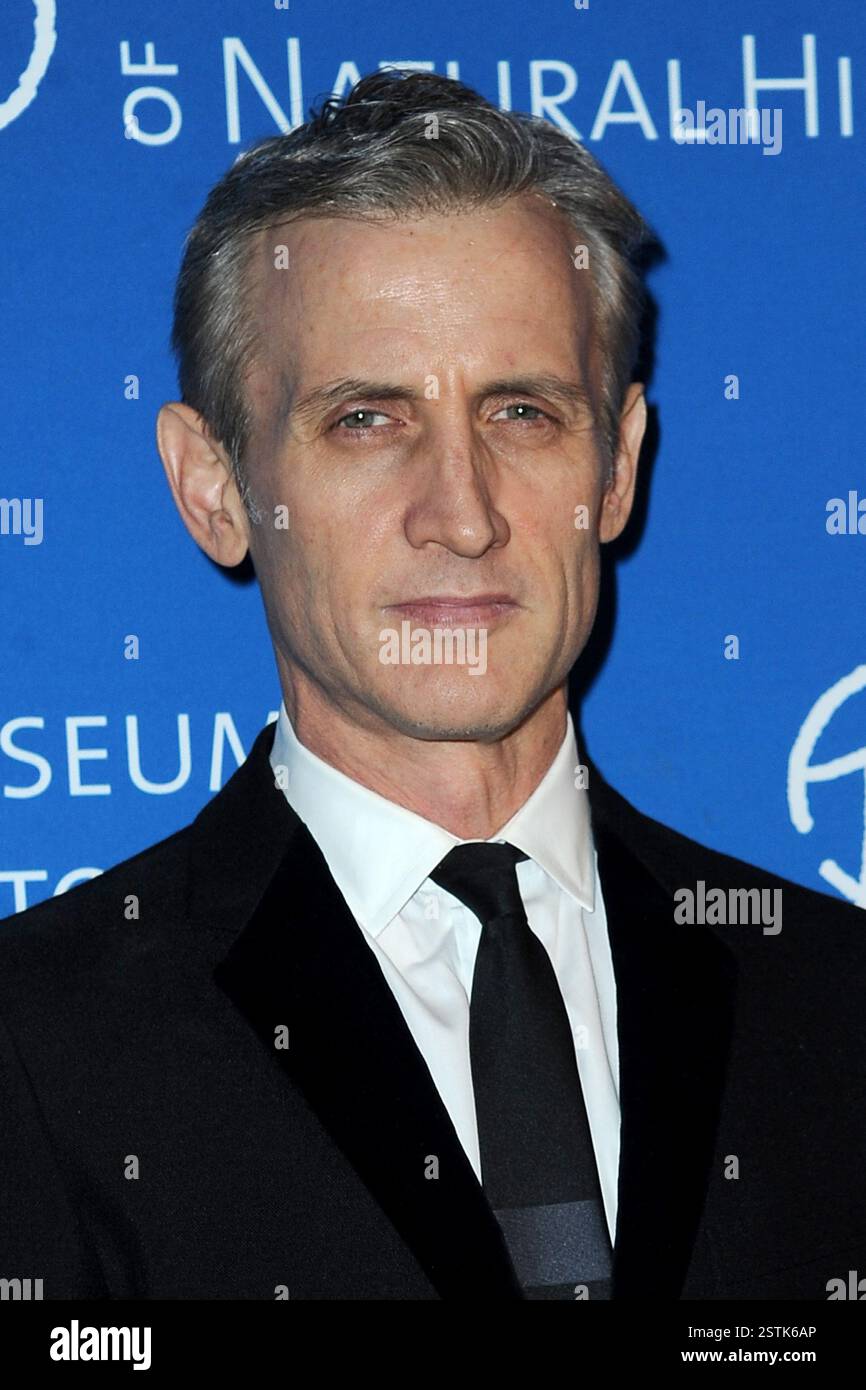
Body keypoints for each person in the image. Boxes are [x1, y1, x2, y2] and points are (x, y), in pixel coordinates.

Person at [1, 69, 864, 1301]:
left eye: (520, 411)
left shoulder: (836, 1002)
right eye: (365, 418)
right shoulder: (37, 1047)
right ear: (213, 487)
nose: (460, 515)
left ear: (614, 468)